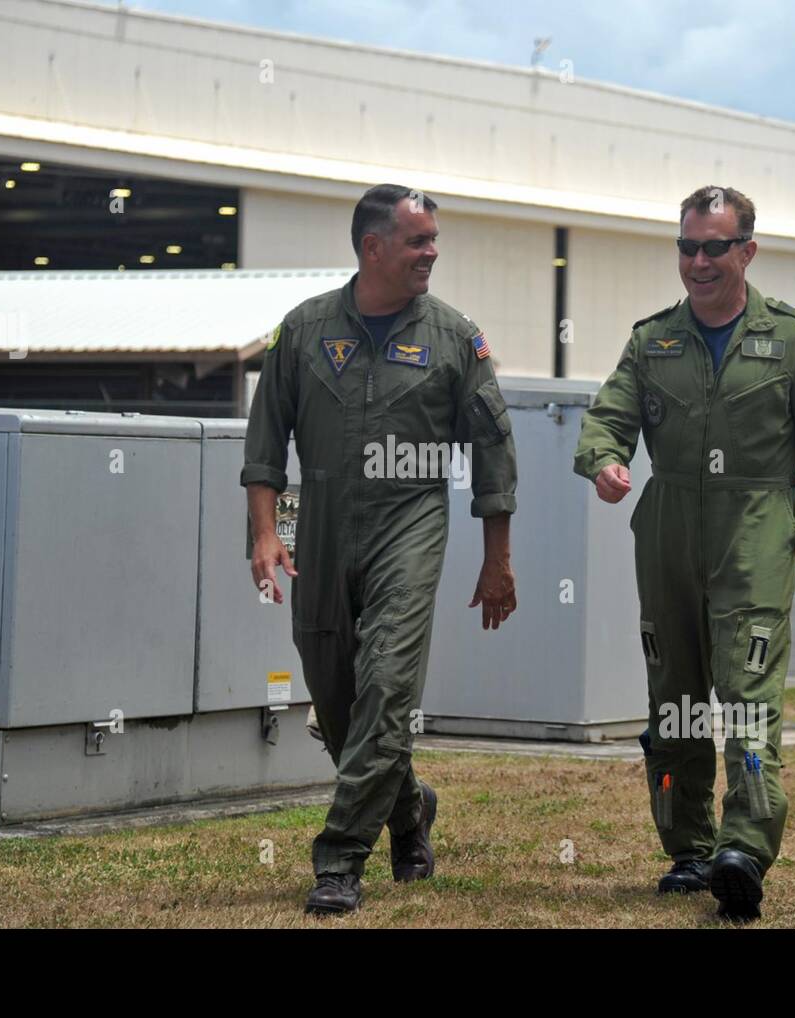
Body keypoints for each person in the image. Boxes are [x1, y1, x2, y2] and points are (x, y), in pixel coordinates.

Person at [573, 185, 795, 921]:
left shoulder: (793, 340)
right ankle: (689, 850)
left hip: (755, 533)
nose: (698, 262)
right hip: (666, 534)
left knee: (747, 695)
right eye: (688, 247)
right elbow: (608, 417)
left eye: (715, 247)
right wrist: (603, 461)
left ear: (747, 251)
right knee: (676, 701)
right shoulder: (652, 340)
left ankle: (745, 847)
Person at [242, 183, 518, 915]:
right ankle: (408, 808)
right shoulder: (301, 332)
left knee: (387, 685)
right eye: (419, 240)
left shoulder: (457, 338)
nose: (433, 251)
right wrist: (266, 533)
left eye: (433, 239)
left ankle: (339, 858)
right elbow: (266, 441)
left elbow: (494, 451)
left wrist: (498, 558)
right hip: (322, 523)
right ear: (373, 248)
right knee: (337, 701)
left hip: (411, 523)